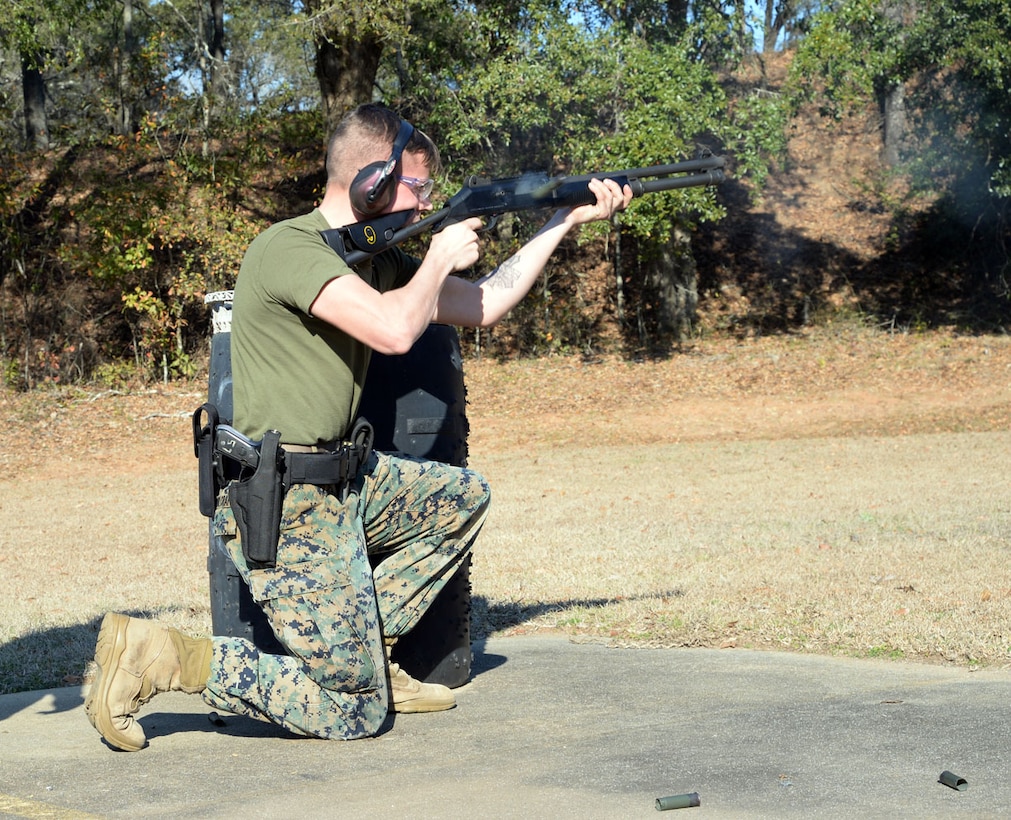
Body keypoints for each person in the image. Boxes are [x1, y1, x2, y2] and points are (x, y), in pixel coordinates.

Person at [84, 103, 632, 751]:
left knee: (460, 499)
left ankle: (375, 658)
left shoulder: (375, 257)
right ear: (372, 180)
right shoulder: (287, 247)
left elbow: (483, 305)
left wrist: (560, 221)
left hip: (344, 480)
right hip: (283, 501)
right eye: (418, 187)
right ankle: (165, 656)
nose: (425, 200)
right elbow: (393, 331)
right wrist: (437, 258)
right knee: (352, 714)